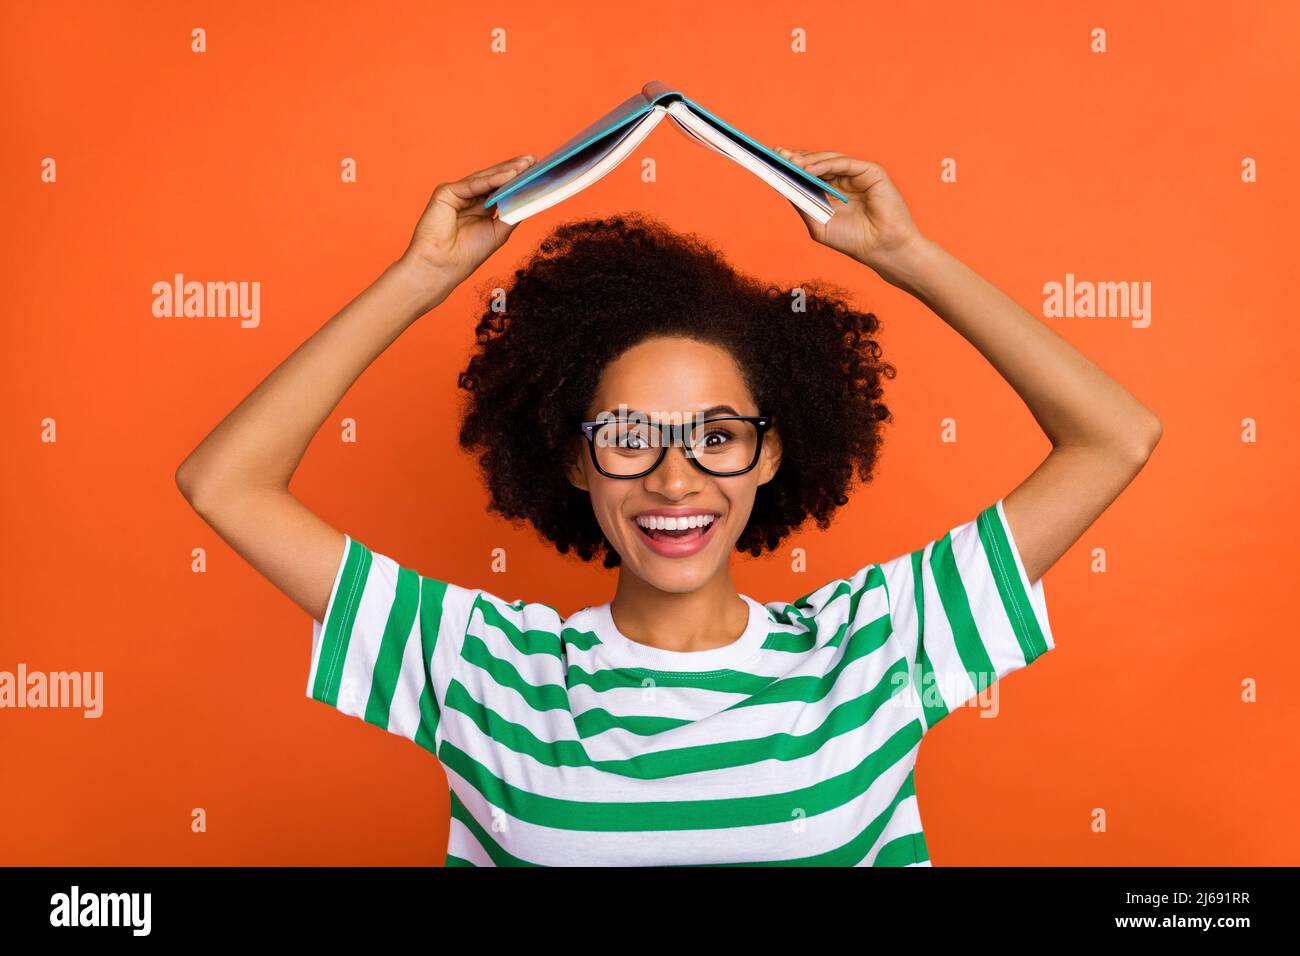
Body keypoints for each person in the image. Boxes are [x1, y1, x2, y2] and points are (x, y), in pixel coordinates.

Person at [176, 149, 1161, 866]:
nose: (676, 477)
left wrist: (907, 252)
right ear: (574, 459)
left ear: (770, 451)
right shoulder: (482, 664)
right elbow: (225, 482)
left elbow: (1113, 436)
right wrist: (421, 276)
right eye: (631, 435)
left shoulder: (877, 641)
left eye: (717, 434)